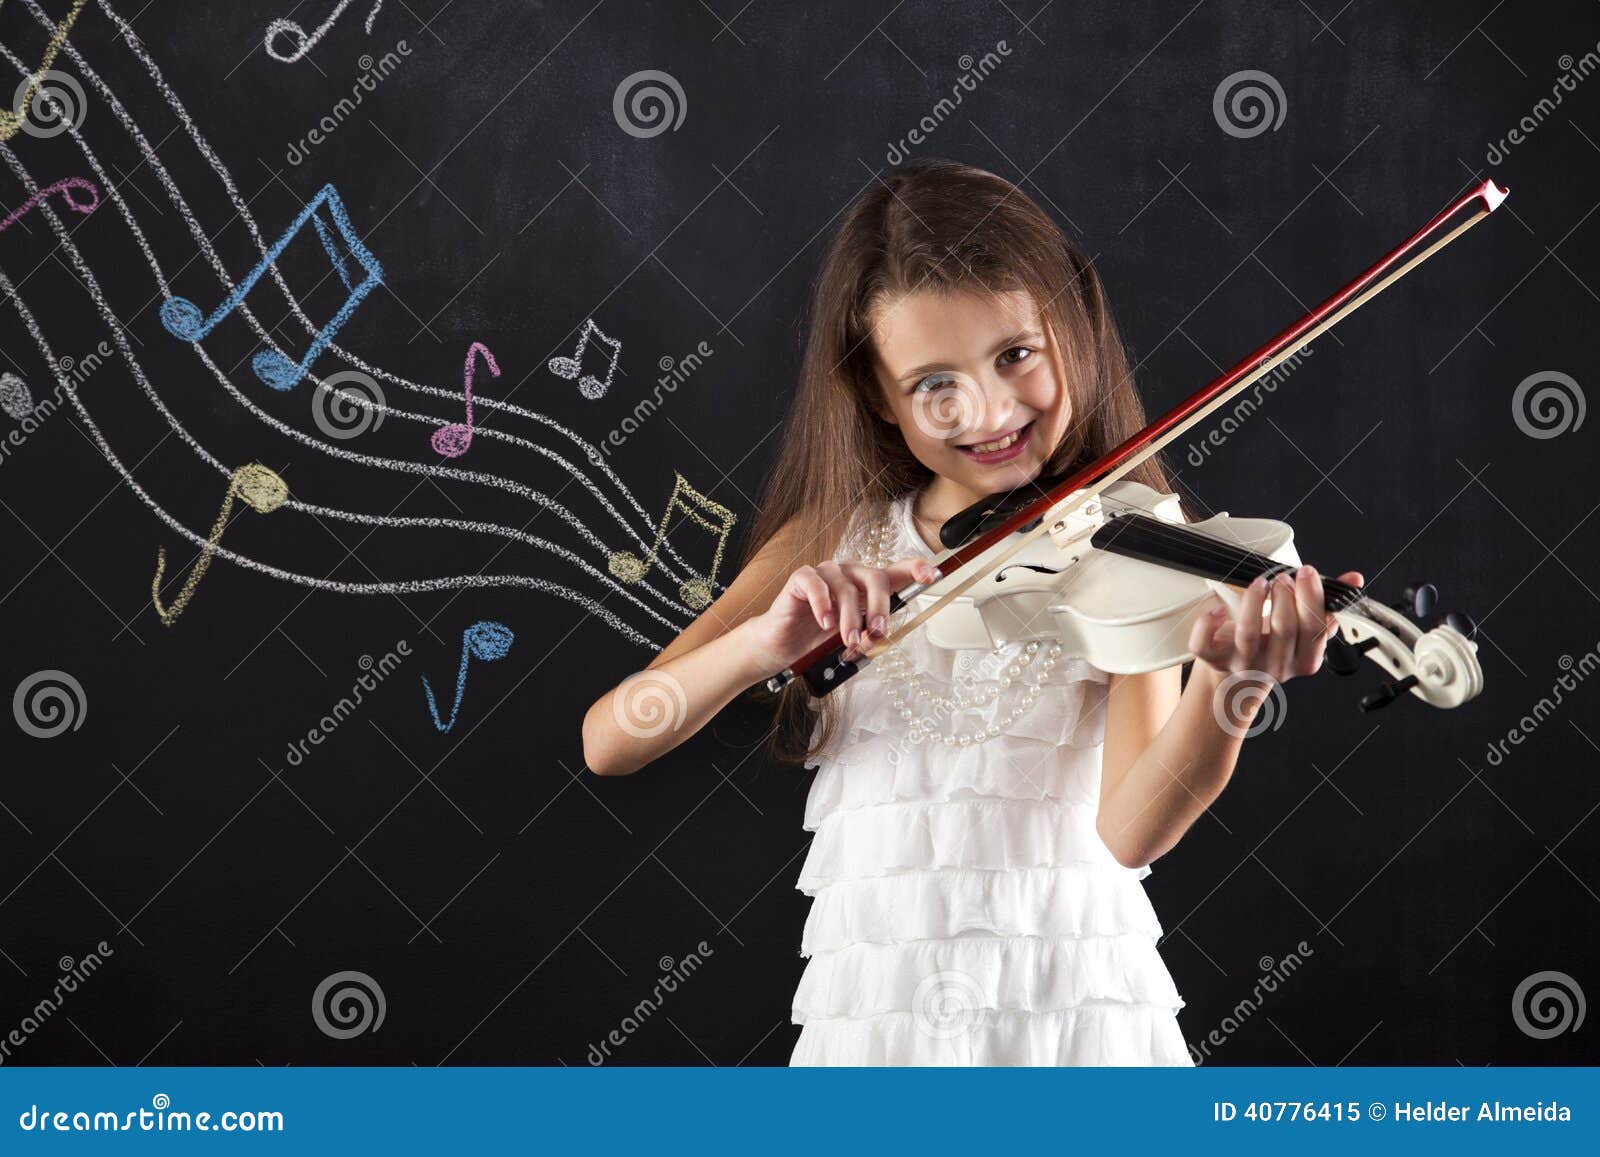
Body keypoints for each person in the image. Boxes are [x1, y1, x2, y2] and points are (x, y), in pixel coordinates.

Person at [582, 159, 1358, 1065]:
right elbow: (611, 738)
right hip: (880, 1026)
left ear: (1071, 330)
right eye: (933, 384)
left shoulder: (1128, 541)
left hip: (1074, 1015)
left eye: (1016, 355)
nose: (990, 411)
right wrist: (761, 645)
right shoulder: (832, 539)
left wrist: (1233, 683)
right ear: (878, 396)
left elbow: (1131, 832)